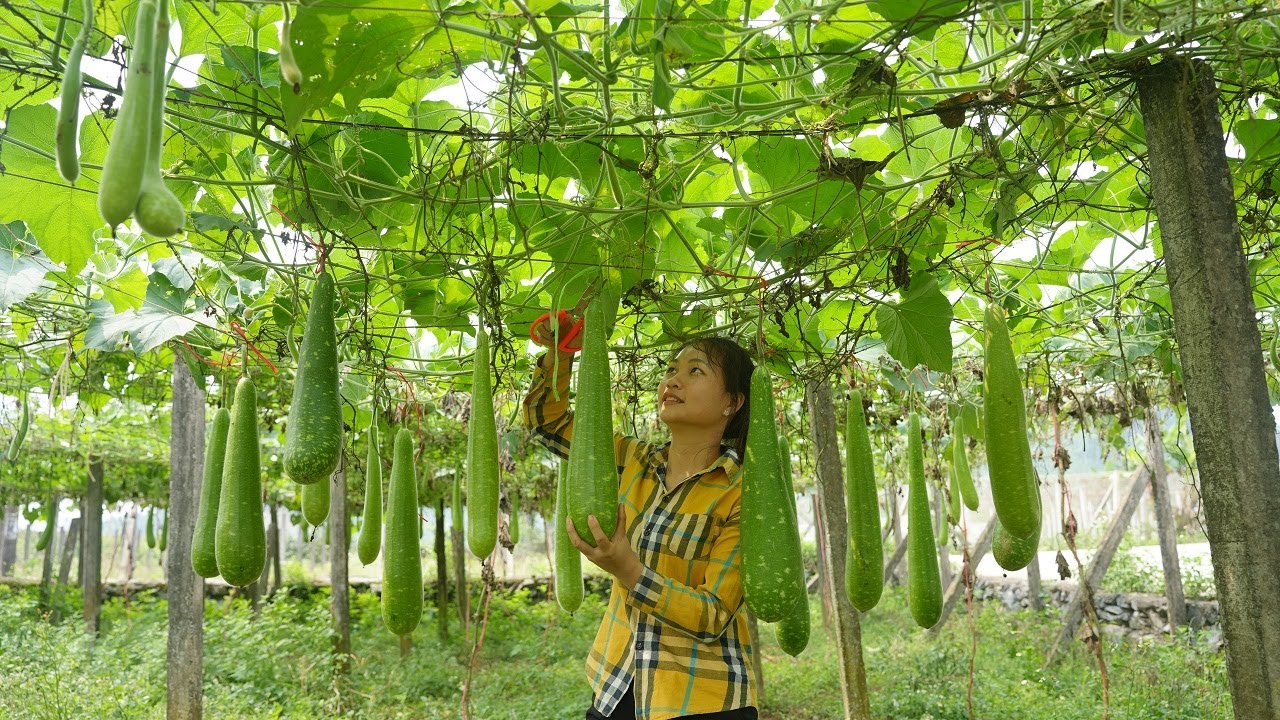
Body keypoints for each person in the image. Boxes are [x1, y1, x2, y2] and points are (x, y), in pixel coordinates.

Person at [524, 317, 759, 720]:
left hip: (702, 702)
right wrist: (559, 354)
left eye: (695, 370)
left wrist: (629, 570)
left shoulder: (742, 494)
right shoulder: (631, 460)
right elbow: (548, 423)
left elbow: (714, 615)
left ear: (732, 402)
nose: (673, 380)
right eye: (671, 370)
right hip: (615, 686)